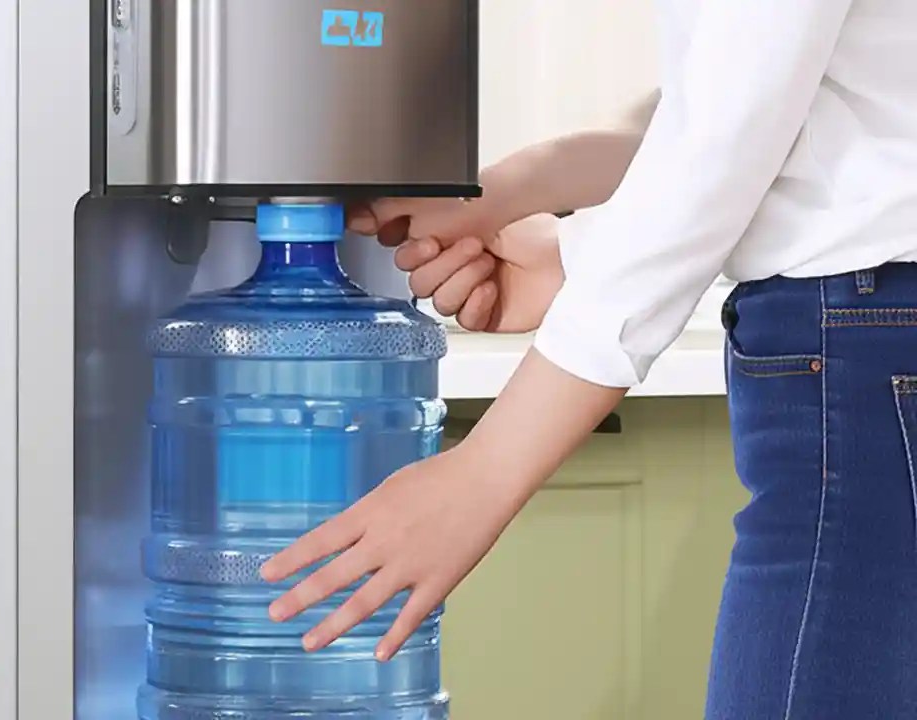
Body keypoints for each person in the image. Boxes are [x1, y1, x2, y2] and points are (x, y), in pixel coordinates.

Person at [261, 1, 917, 716]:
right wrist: (532, 210)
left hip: (865, 355)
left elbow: (724, 140)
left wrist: (484, 472)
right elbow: (771, 103)